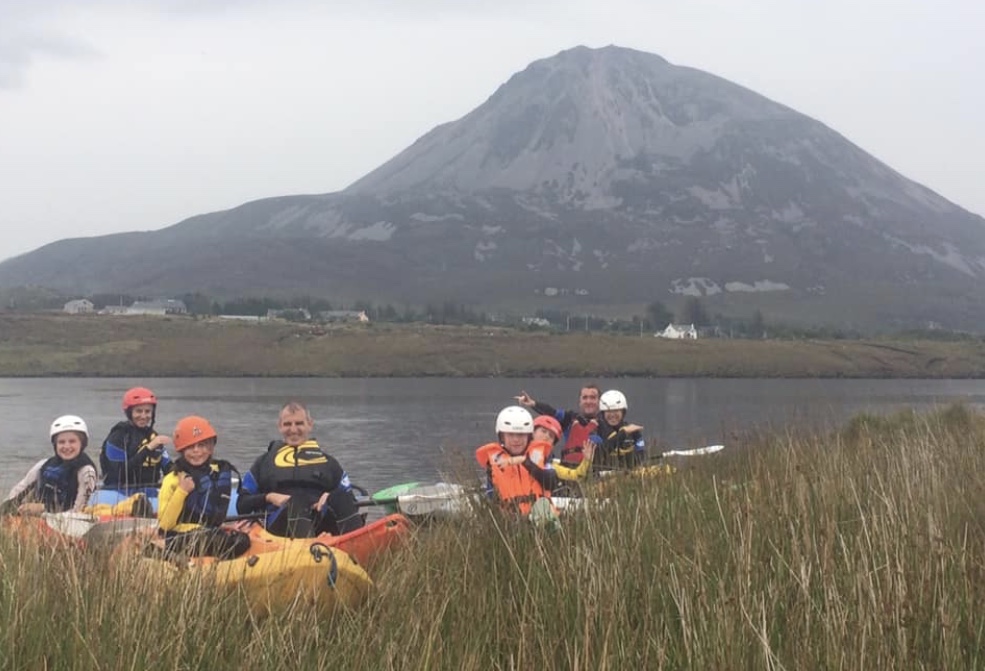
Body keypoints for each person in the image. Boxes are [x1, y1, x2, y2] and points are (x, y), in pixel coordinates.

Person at [237, 401, 364, 537]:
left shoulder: (329, 463)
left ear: (310, 425)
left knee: (341, 497)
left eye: (299, 423)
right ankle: (309, 548)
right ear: (279, 426)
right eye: (287, 424)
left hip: (320, 521)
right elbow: (242, 504)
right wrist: (269, 497)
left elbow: (351, 501)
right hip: (281, 524)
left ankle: (357, 543)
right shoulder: (263, 463)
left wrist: (329, 496)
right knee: (296, 502)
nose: (293, 429)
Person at [157, 415, 250, 559]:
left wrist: (223, 528)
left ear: (210, 448)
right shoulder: (173, 479)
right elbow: (165, 525)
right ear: (181, 450)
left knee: (243, 540)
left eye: (202, 445)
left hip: (207, 533)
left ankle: (218, 561)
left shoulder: (214, 473)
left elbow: (210, 516)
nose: (197, 451)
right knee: (215, 540)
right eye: (190, 447)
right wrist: (181, 491)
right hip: (178, 537)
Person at [1, 415, 98, 516]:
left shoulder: (86, 472)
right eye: (61, 442)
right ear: (55, 445)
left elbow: (79, 511)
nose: (66, 446)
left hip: (68, 522)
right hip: (40, 517)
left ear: (82, 444)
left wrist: (43, 510)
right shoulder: (43, 465)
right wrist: (5, 508)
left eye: (72, 441)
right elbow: (19, 490)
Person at [475, 406, 560, 516]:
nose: (516, 439)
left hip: (541, 521)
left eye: (520, 435)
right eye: (510, 434)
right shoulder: (494, 461)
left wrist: (526, 462)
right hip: (511, 522)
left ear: (529, 436)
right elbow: (492, 497)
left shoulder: (540, 455)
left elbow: (551, 483)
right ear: (502, 436)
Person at [99, 386, 172, 489]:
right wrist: (148, 449)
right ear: (129, 413)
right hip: (118, 492)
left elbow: (169, 468)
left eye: (147, 412)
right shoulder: (118, 436)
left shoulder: (153, 436)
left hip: (150, 491)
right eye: (138, 411)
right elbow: (117, 474)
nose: (143, 416)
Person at [515, 384, 602, 467]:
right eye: (585, 398)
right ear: (580, 401)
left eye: (593, 398)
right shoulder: (570, 418)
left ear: (599, 401)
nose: (588, 401)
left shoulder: (607, 422)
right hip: (571, 469)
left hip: (599, 471)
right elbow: (552, 412)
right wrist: (533, 404)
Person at [533, 415, 596, 486]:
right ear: (532, 433)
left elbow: (577, 475)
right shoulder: (520, 455)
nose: (547, 436)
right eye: (543, 431)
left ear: (553, 444)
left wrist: (587, 460)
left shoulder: (551, 466)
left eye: (551, 435)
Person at [594, 390, 646, 469]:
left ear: (623, 412)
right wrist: (624, 433)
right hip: (602, 477)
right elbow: (599, 455)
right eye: (608, 411)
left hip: (628, 476)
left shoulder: (634, 432)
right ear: (603, 413)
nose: (612, 415)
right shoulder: (596, 431)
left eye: (616, 411)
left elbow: (641, 457)